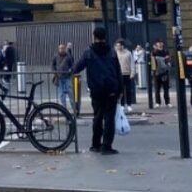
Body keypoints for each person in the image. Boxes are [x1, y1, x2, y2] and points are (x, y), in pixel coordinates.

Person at [72, 26, 122, 155]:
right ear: (105, 36)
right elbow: (118, 71)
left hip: (96, 89)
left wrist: (67, 71)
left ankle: (95, 144)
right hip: (111, 88)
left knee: (98, 117)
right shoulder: (111, 51)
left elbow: (77, 67)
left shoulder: (89, 51)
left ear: (94, 36)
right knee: (109, 118)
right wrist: (120, 89)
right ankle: (107, 146)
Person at [115, 39, 135, 113]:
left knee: (128, 90)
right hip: (119, 74)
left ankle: (129, 105)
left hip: (127, 74)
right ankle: (122, 105)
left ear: (122, 46)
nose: (117, 47)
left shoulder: (128, 53)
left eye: (118, 46)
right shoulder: (116, 53)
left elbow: (132, 63)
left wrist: (132, 73)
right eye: (116, 46)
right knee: (121, 91)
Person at [51, 43, 73, 110]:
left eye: (63, 48)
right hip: (59, 78)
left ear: (65, 49)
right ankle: (64, 110)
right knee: (61, 95)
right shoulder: (55, 56)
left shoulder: (68, 56)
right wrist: (55, 72)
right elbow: (52, 65)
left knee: (71, 94)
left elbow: (72, 64)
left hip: (67, 77)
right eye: (60, 48)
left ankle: (75, 111)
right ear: (58, 49)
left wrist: (70, 71)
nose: (62, 49)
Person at [151, 40, 171, 107]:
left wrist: (167, 59)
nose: (159, 44)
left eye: (161, 43)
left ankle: (167, 102)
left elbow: (168, 60)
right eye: (158, 43)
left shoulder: (165, 51)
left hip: (164, 72)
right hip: (157, 73)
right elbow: (152, 61)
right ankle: (158, 102)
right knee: (157, 89)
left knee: (166, 88)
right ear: (156, 44)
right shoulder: (154, 52)